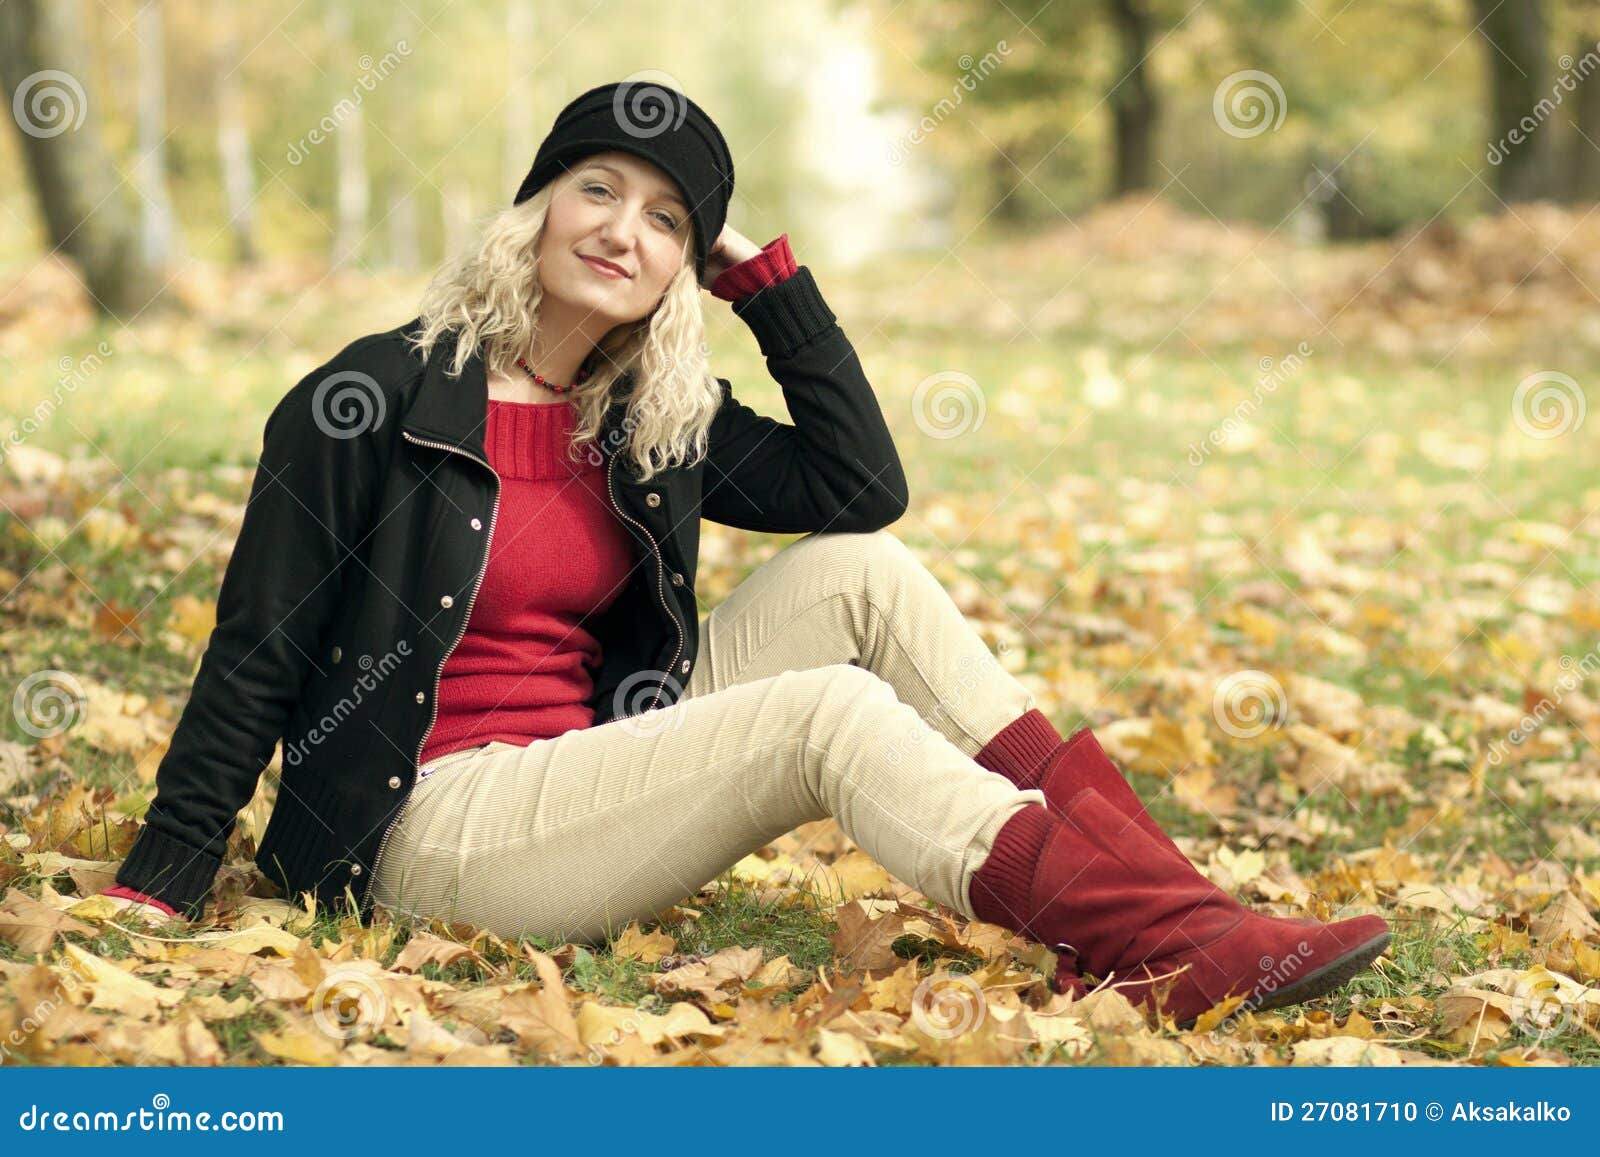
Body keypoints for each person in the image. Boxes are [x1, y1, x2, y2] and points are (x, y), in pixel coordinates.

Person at [102, 80, 1389, 1029]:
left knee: (864, 578)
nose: (623, 231)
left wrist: (765, 282)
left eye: (667, 219)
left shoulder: (642, 411)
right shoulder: (372, 398)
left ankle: (1186, 925)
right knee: (823, 712)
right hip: (430, 823)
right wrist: (163, 878)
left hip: (592, 764)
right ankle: (1154, 936)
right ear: (534, 209)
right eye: (596, 189)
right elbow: (255, 649)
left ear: (684, 265)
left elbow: (858, 489)